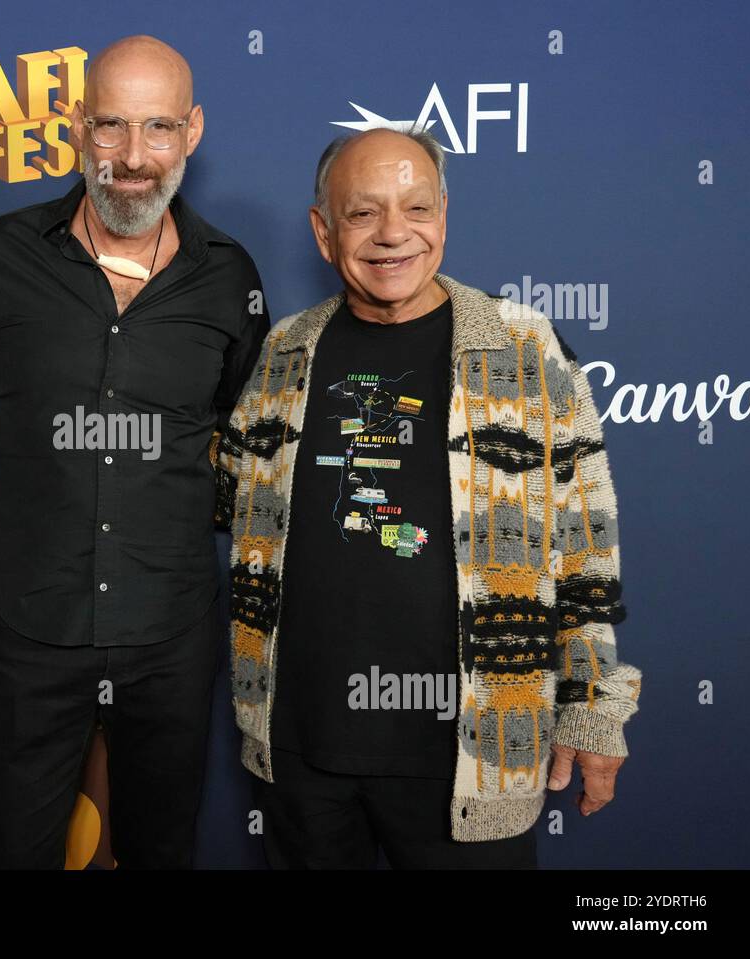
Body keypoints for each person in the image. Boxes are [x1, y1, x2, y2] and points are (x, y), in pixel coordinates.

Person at [216, 127, 642, 868]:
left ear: (443, 214)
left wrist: (597, 707)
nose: (392, 234)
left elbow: (586, 544)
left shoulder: (523, 347)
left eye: (416, 207)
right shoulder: (284, 350)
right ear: (323, 231)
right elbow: (230, 502)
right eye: (362, 214)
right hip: (301, 752)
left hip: (471, 754)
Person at [0, 35, 269, 868]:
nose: (132, 157)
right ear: (79, 128)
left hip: (172, 631)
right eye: (111, 126)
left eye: (158, 128)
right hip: (28, 627)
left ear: (191, 132)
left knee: (160, 848)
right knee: (16, 848)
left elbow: (246, 434)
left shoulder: (230, 277)